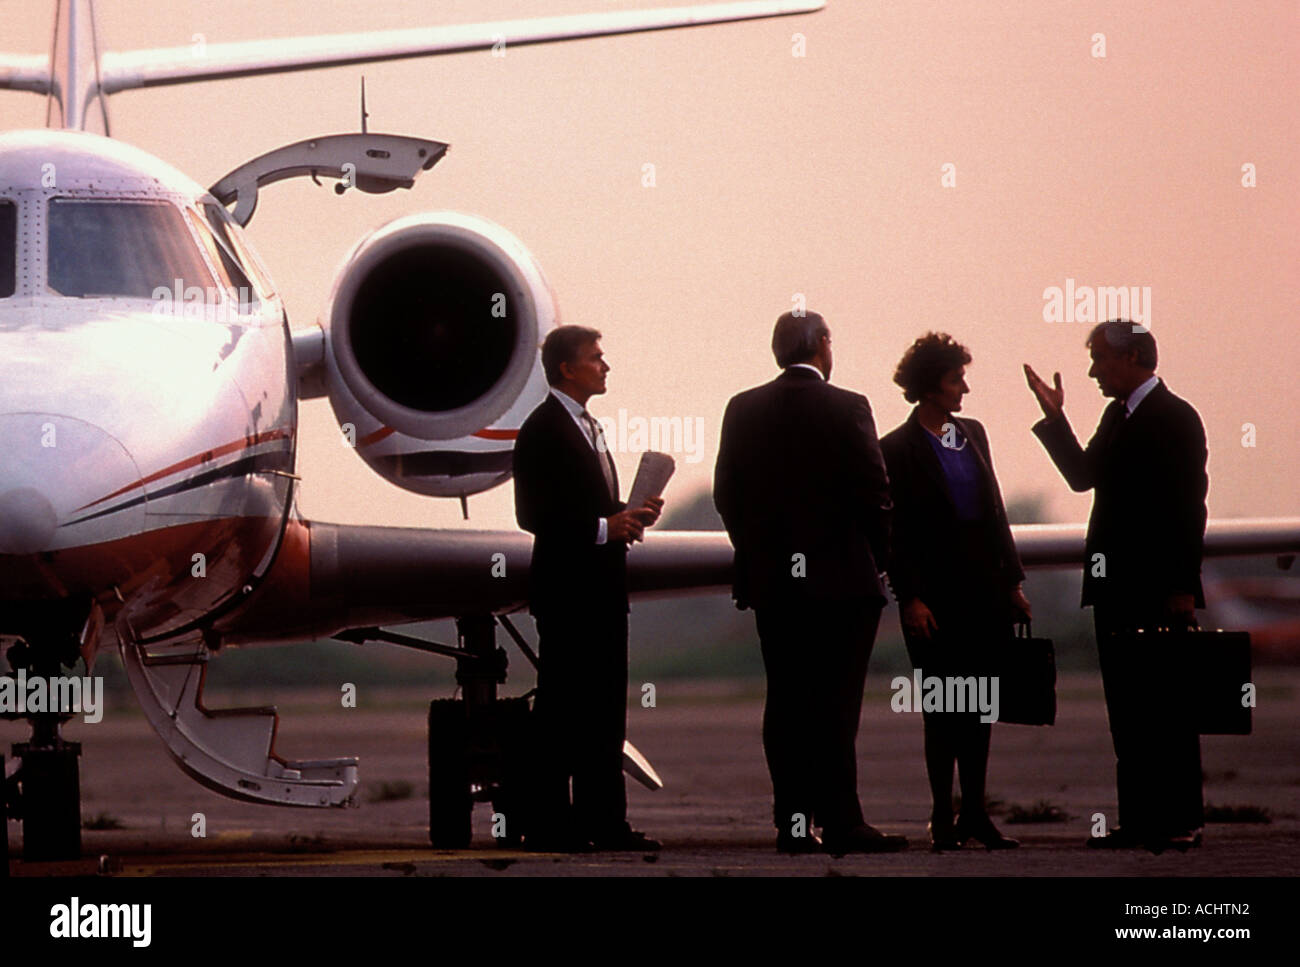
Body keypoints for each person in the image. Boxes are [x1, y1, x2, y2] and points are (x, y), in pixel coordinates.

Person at [713, 310, 905, 855]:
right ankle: (844, 821)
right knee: (836, 707)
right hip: (842, 583)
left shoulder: (742, 408)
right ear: (822, 345)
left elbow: (727, 494)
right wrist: (880, 559)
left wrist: (755, 553)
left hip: (774, 585)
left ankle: (793, 824)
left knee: (787, 702)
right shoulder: (848, 406)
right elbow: (876, 492)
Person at [1025, 319, 1208, 851]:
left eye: (1101, 361)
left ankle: (1178, 820)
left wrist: (1181, 587)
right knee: (1127, 710)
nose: (1092, 372)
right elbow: (1084, 476)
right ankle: (1142, 820)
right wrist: (1055, 419)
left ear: (1133, 359)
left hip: (1156, 588)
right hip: (1115, 587)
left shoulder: (1175, 418)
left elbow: (1188, 509)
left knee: (1168, 709)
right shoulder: (1116, 415)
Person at [513, 325, 664, 852]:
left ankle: (603, 821)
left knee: (604, 710)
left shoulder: (588, 427)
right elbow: (531, 514)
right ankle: (550, 823)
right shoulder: (542, 429)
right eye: (596, 358)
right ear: (566, 369)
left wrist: (628, 515)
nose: (606, 366)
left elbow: (583, 505)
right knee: (561, 710)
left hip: (601, 591)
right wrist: (604, 528)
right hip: (569, 593)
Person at [881, 333, 1030, 851]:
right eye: (954, 379)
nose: (964, 388)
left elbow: (995, 510)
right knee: (943, 708)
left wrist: (1012, 581)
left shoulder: (974, 434)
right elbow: (893, 532)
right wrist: (911, 597)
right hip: (935, 597)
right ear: (930, 385)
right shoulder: (895, 449)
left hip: (983, 590)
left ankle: (976, 813)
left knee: (980, 705)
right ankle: (942, 815)